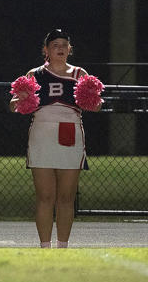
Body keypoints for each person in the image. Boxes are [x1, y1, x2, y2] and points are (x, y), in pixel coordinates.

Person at [9, 29, 101, 248]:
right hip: (42, 134)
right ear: (46, 50)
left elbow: (97, 106)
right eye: (54, 45)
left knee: (66, 197)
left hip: (71, 133)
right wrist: (20, 99)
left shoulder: (80, 74)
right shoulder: (35, 74)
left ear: (70, 49)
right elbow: (13, 106)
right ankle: (44, 247)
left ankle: (62, 247)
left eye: (63, 45)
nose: (59, 48)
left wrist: (92, 100)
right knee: (45, 196)